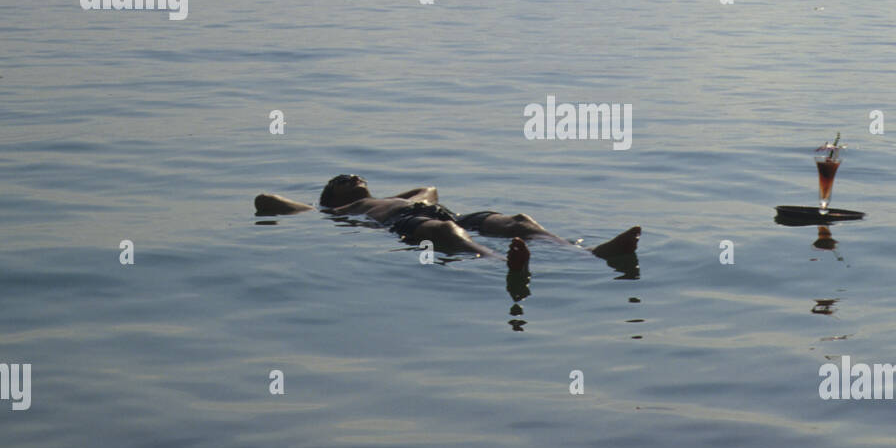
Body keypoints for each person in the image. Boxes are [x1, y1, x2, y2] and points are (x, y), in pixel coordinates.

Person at [254, 175, 640, 269]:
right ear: (332, 196)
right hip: (407, 223)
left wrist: (408, 197)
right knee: (444, 233)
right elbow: (266, 200)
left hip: (447, 213)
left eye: (355, 175)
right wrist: (317, 205)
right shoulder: (339, 212)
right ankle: (497, 260)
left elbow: (431, 190)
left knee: (519, 220)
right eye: (342, 179)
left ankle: (591, 252)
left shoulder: (387, 197)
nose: (353, 177)